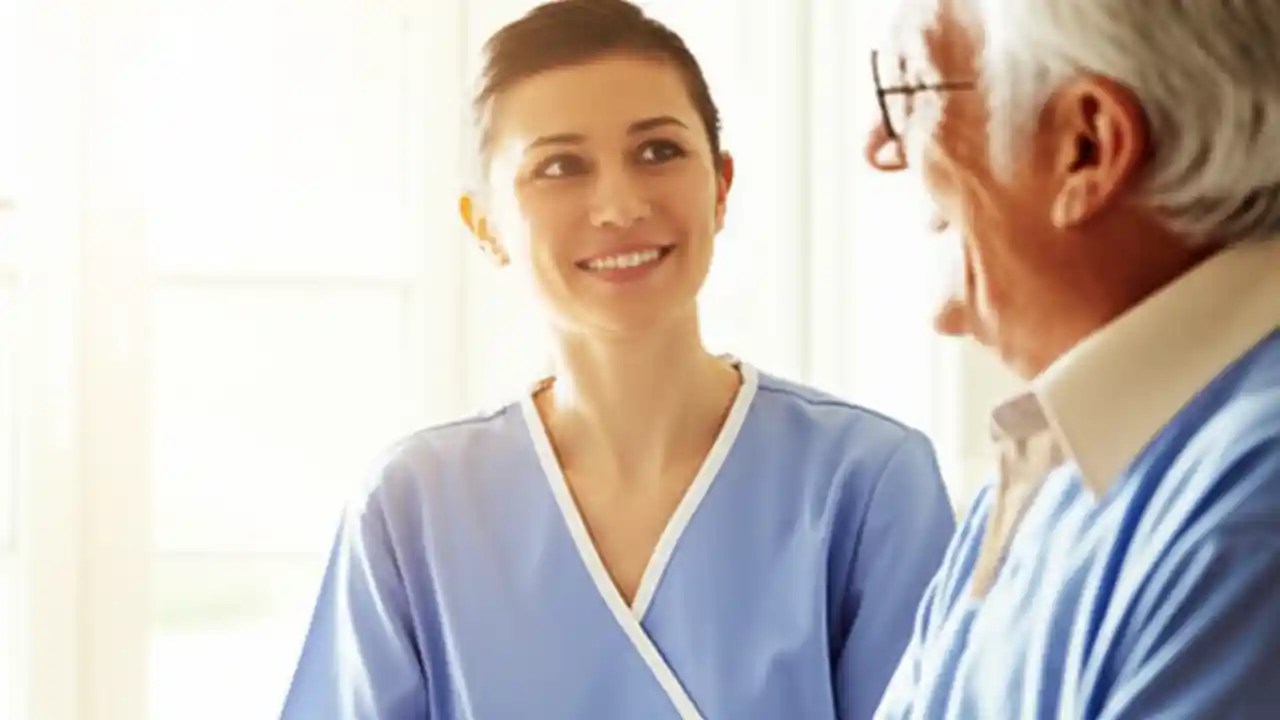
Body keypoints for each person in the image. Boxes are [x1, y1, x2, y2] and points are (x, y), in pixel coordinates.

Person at [282, 1, 955, 718]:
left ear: (721, 186)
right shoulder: (412, 509)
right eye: (559, 167)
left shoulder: (869, 484)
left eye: (658, 152)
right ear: (486, 226)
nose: (619, 205)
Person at [864, 0, 1280, 717]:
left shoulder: (1250, 513)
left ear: (1086, 146)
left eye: (915, 89)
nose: (881, 144)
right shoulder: (1051, 455)